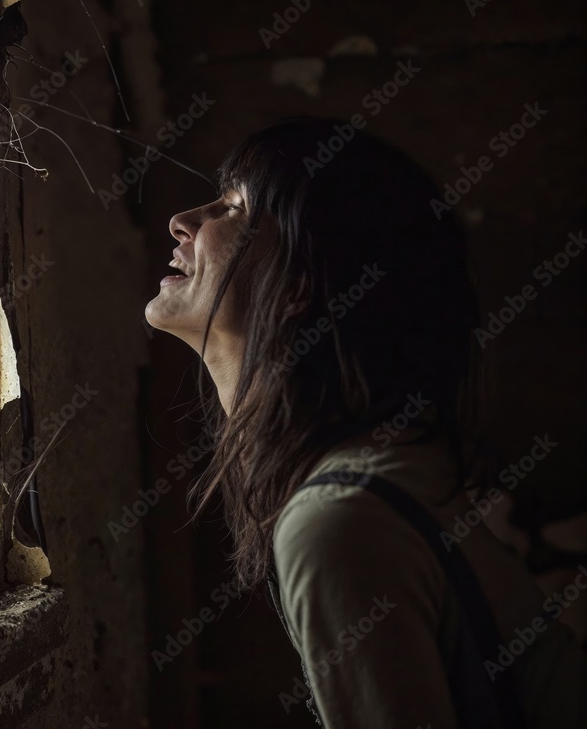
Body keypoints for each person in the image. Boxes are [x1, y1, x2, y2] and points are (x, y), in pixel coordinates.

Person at [144, 118, 587, 728]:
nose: (184, 221)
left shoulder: (339, 520)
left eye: (235, 207)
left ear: (298, 284)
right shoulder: (386, 468)